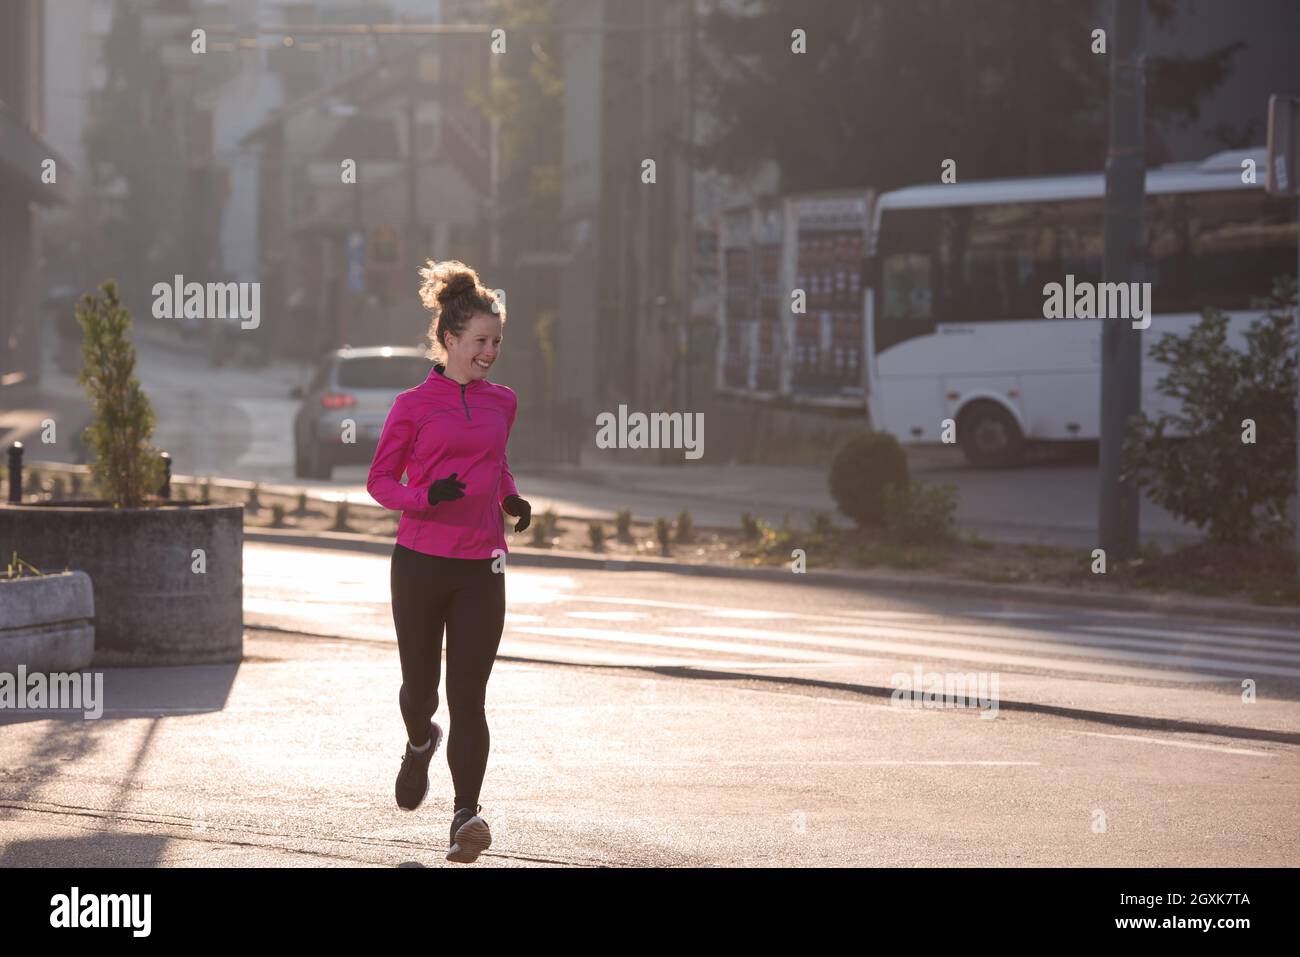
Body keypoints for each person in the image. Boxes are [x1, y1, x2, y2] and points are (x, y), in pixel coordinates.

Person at [365, 259, 532, 864]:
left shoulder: (502, 402)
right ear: (449, 340)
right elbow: (380, 481)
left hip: (480, 566)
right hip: (419, 564)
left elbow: (497, 461)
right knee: (421, 692)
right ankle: (418, 742)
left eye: (496, 342)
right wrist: (422, 497)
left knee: (470, 697)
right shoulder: (413, 405)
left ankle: (467, 815)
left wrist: (510, 496)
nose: (490, 352)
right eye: (480, 342)